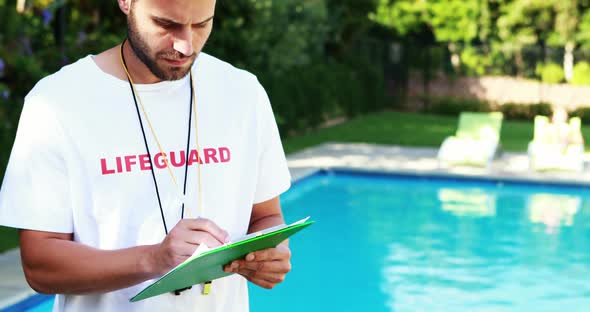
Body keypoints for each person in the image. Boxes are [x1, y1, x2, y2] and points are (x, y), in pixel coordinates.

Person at [0, 1, 293, 311]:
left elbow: (265, 215)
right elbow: (40, 265)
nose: (185, 45)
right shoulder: (56, 103)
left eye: (201, 25)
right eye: (166, 25)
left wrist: (268, 252)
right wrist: (155, 258)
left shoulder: (244, 93)